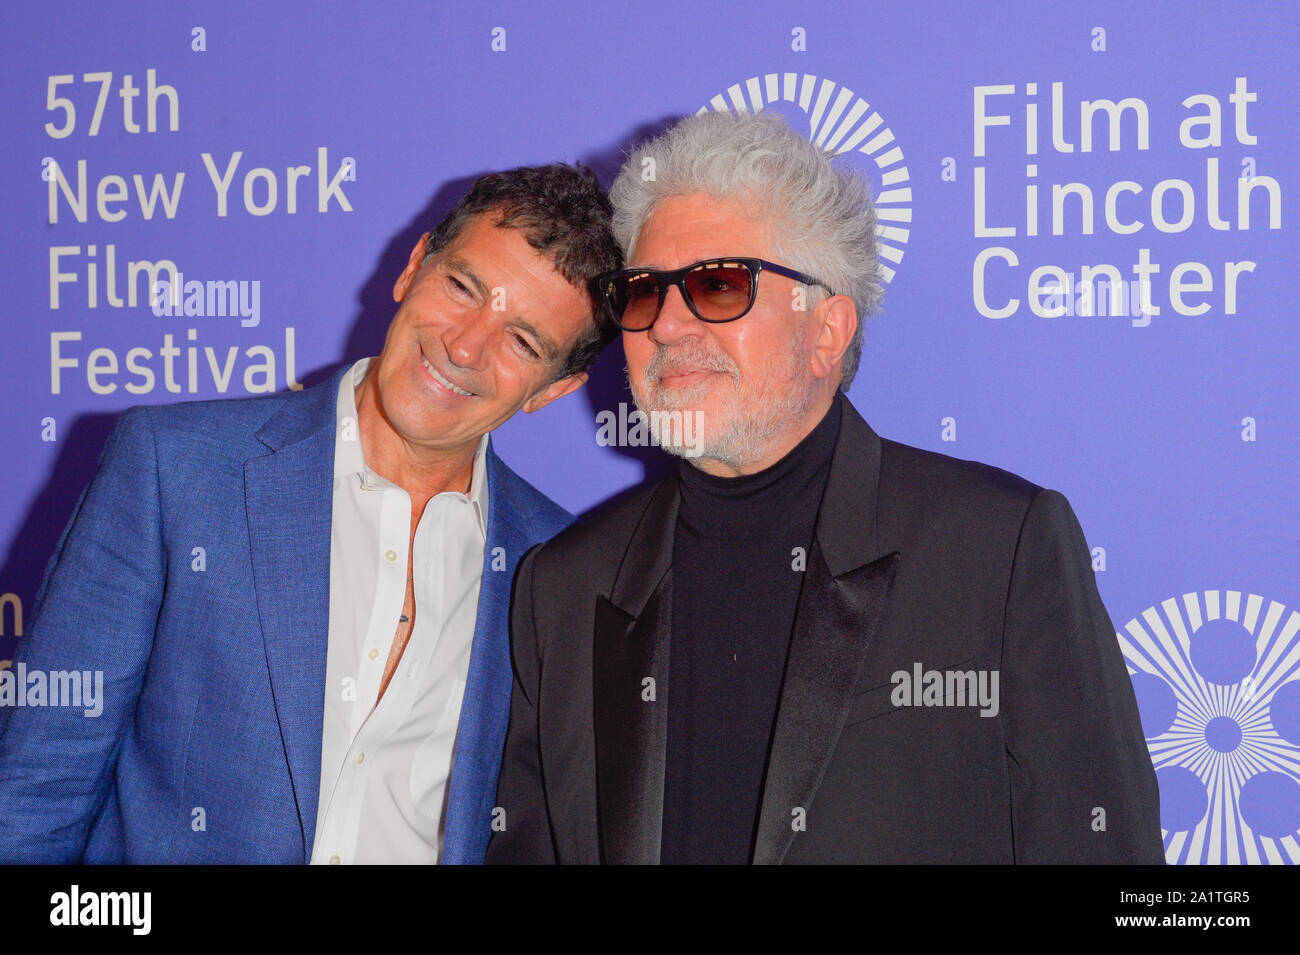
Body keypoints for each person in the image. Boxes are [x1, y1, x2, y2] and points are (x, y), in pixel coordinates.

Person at [487, 111, 1164, 864]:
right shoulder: (566, 587)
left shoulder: (998, 553)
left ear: (828, 331)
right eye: (643, 292)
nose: (668, 325)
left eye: (717, 285)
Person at [0, 163, 622, 864]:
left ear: (554, 388)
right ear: (414, 266)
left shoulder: (560, 562)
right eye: (461, 287)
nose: (465, 345)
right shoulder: (175, 469)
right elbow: (35, 791)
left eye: (523, 340)